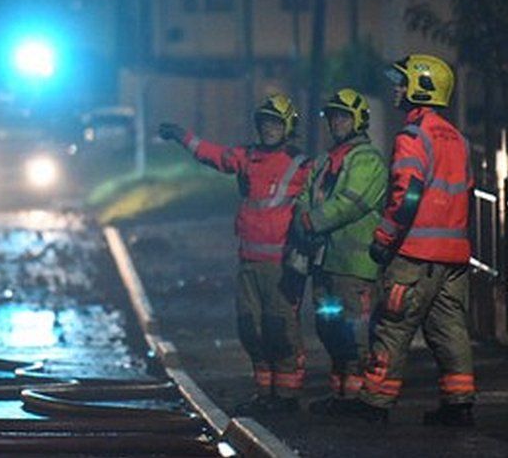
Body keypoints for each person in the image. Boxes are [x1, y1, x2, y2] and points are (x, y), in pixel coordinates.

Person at [158, 93, 311, 413]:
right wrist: (182, 136)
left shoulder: (300, 164)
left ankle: (287, 398)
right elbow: (214, 155)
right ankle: (265, 393)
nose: (268, 128)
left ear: (288, 127)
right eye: (264, 122)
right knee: (251, 329)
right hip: (249, 263)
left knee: (280, 329)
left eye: (275, 123)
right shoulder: (248, 156)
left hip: (281, 265)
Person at [352, 54, 476, 426]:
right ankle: (459, 404)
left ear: (421, 88)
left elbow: (407, 193)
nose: (397, 89)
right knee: (449, 329)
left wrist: (384, 238)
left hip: (413, 255)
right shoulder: (458, 139)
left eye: (403, 82)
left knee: (392, 326)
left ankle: (375, 403)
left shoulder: (413, 136)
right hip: (453, 257)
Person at [289, 88, 388, 416]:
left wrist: (310, 220)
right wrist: (303, 214)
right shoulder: (324, 160)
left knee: (354, 331)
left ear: (358, 120)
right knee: (329, 327)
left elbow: (350, 203)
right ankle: (340, 395)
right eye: (333, 117)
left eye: (343, 117)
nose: (336, 123)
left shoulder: (367, 160)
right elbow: (304, 194)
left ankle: (358, 399)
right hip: (324, 262)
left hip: (354, 265)